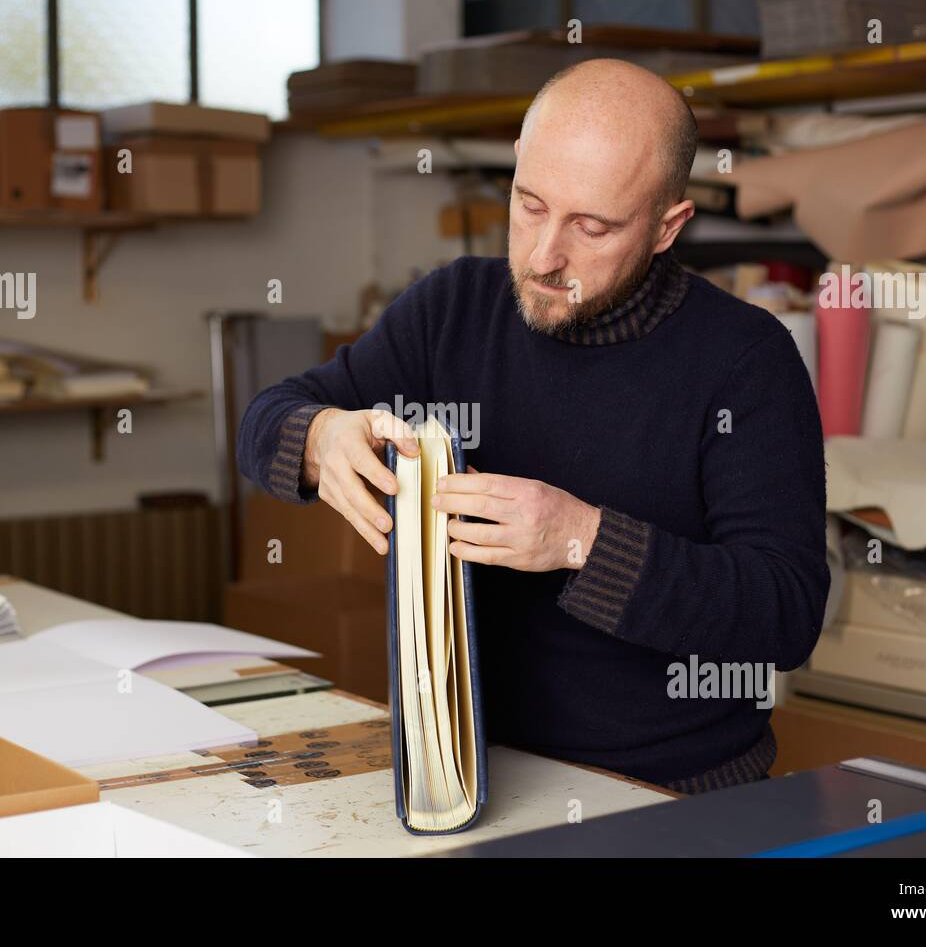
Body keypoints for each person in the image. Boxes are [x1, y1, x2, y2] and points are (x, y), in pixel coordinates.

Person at [237, 59, 829, 793]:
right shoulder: (450, 310)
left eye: (591, 226)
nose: (546, 257)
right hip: (476, 779)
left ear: (666, 227)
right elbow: (263, 420)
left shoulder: (746, 361)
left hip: (674, 794)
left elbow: (786, 614)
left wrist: (580, 539)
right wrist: (319, 436)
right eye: (529, 205)